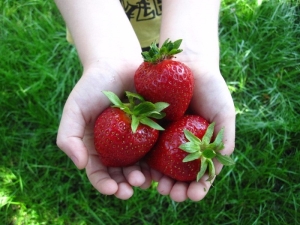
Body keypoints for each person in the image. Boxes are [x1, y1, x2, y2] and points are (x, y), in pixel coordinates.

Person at [54, 0, 236, 202]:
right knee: (151, 67)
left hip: (171, 16)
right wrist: (109, 56)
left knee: (154, 61)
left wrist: (194, 55)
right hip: (96, 22)